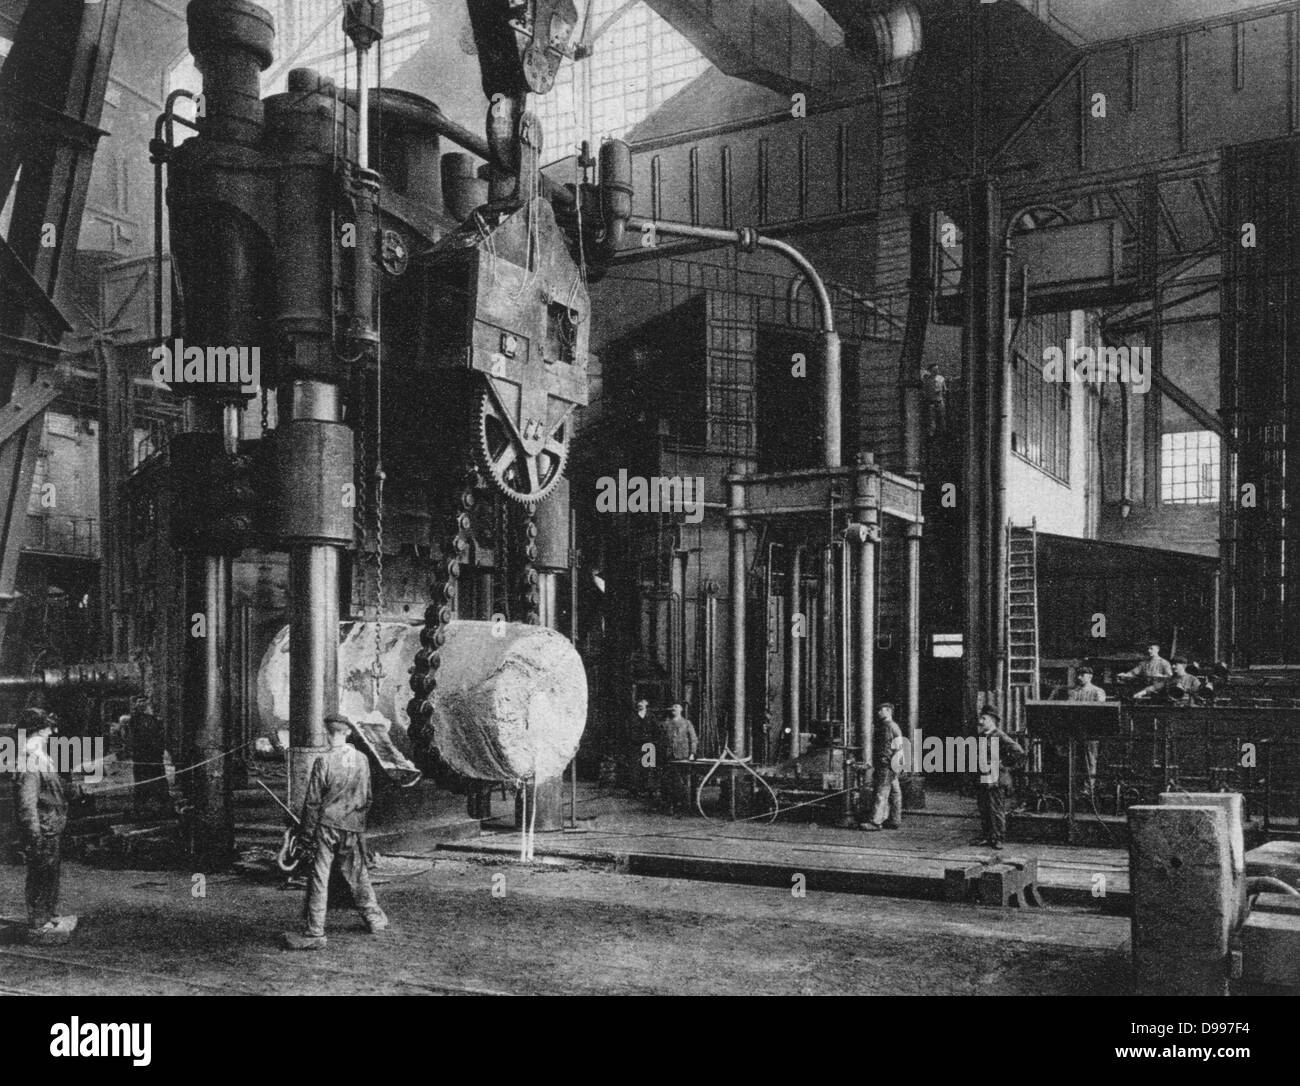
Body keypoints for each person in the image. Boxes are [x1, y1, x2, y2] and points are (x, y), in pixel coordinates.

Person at [284, 713, 387, 950]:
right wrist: (356, 822)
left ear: (328, 733)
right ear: (348, 732)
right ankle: (375, 919)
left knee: (320, 877)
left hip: (327, 826)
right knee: (358, 874)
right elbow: (369, 797)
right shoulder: (362, 759)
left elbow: (312, 802)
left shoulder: (324, 761)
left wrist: (306, 834)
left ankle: (315, 932)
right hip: (353, 826)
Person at [16, 708, 75, 943]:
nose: (51, 732)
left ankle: (46, 917)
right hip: (42, 830)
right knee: (41, 876)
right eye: (47, 728)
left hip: (51, 827)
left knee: (50, 875)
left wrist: (75, 790)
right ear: (37, 732)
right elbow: (27, 804)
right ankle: (38, 926)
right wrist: (34, 835)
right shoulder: (30, 762)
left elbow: (53, 787)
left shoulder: (41, 758)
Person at [971, 705, 1025, 850]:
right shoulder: (982, 736)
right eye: (980, 718)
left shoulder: (999, 735)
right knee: (984, 807)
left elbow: (1019, 751)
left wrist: (1004, 765)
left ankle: (998, 838)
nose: (981, 721)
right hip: (984, 776)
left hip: (995, 778)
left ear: (993, 720)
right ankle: (986, 836)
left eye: (984, 718)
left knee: (996, 808)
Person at [859, 703, 904, 831]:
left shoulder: (889, 726)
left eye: (881, 710)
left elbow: (896, 747)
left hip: (886, 764)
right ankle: (895, 820)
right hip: (891, 764)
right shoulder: (893, 726)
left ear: (888, 711)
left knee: (881, 792)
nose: (878, 712)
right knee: (895, 792)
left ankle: (875, 822)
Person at [1067, 665, 1106, 796]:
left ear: (1090, 676)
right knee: (1075, 760)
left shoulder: (1098, 691)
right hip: (1076, 731)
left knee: (1090, 760)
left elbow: (1100, 711)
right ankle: (1074, 788)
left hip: (1091, 732)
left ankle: (1089, 789)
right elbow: (1068, 709)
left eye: (1082, 675)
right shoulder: (1074, 692)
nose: (1079, 677)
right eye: (1078, 675)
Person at [655, 702, 698, 814]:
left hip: (682, 756)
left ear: (681, 710)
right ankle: (670, 805)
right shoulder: (666, 723)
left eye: (677, 707)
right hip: (669, 756)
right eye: (673, 707)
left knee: (682, 781)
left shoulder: (687, 723)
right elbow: (660, 739)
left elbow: (693, 739)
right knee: (669, 781)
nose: (674, 708)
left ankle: (683, 805)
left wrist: (692, 753)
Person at [1135, 656, 1202, 702]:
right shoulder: (1169, 680)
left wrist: (1185, 690)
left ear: (1183, 666)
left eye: (1176, 664)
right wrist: (1141, 693)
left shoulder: (1193, 679)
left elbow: (1199, 693)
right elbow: (1154, 687)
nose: (1173, 667)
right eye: (1172, 664)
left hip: (1187, 709)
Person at [921, 363, 947, 438]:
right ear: (930, 371)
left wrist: (941, 397)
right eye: (934, 370)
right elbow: (925, 391)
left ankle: (943, 436)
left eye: (937, 369)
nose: (936, 371)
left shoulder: (941, 379)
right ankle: (931, 438)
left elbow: (944, 390)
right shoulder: (927, 380)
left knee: (942, 419)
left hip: (940, 402)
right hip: (931, 403)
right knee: (932, 421)